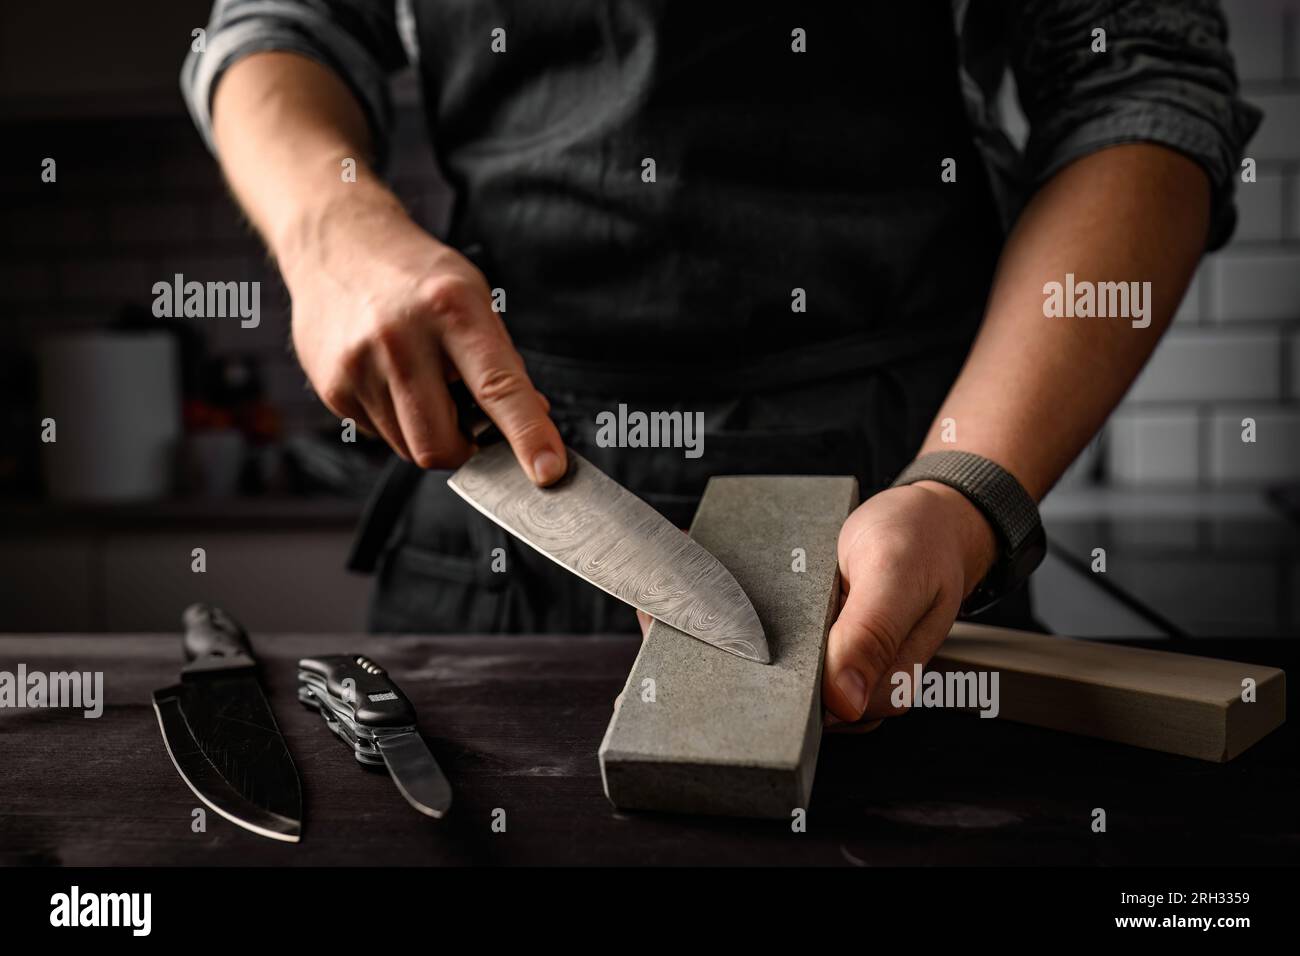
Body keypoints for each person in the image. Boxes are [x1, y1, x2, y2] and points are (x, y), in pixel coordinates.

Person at [182, 1, 1258, 725]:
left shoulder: (945, 500)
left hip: (910, 491)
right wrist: (330, 226)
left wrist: (967, 489)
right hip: (496, 492)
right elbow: (283, 22)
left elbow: (1138, 81)